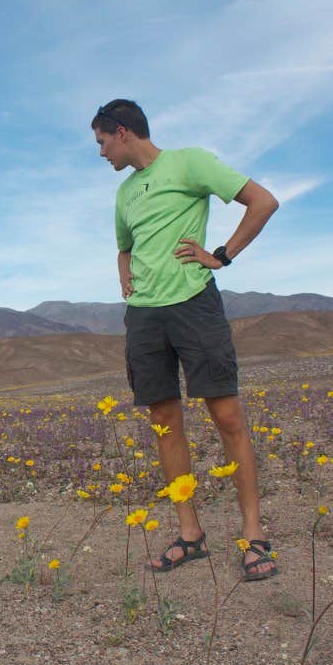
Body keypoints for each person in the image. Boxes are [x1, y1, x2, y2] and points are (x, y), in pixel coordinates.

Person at [92, 99, 279, 580]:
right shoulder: (124, 193)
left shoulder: (190, 162)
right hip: (145, 317)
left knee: (227, 415)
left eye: (101, 143)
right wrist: (124, 278)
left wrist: (222, 255)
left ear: (122, 131)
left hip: (194, 304)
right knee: (162, 420)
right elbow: (124, 246)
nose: (101, 154)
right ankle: (190, 535)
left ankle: (254, 535)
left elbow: (263, 202)